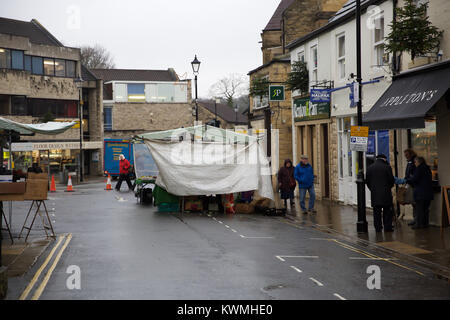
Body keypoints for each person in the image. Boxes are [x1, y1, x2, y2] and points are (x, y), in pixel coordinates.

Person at [366, 154, 395, 232]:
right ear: (384, 159)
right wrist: (388, 187)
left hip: (375, 194)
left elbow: (367, 181)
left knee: (376, 213)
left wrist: (372, 189)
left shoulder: (370, 168)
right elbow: (391, 181)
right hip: (386, 193)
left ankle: (378, 228)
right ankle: (387, 227)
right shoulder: (387, 167)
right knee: (387, 212)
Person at [406, 157, 433, 229]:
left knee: (419, 209)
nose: (414, 164)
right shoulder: (427, 168)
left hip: (420, 193)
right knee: (425, 209)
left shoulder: (419, 169)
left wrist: (407, 180)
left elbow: (415, 179)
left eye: (415, 162)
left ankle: (419, 224)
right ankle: (425, 224)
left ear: (419, 162)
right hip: (428, 192)